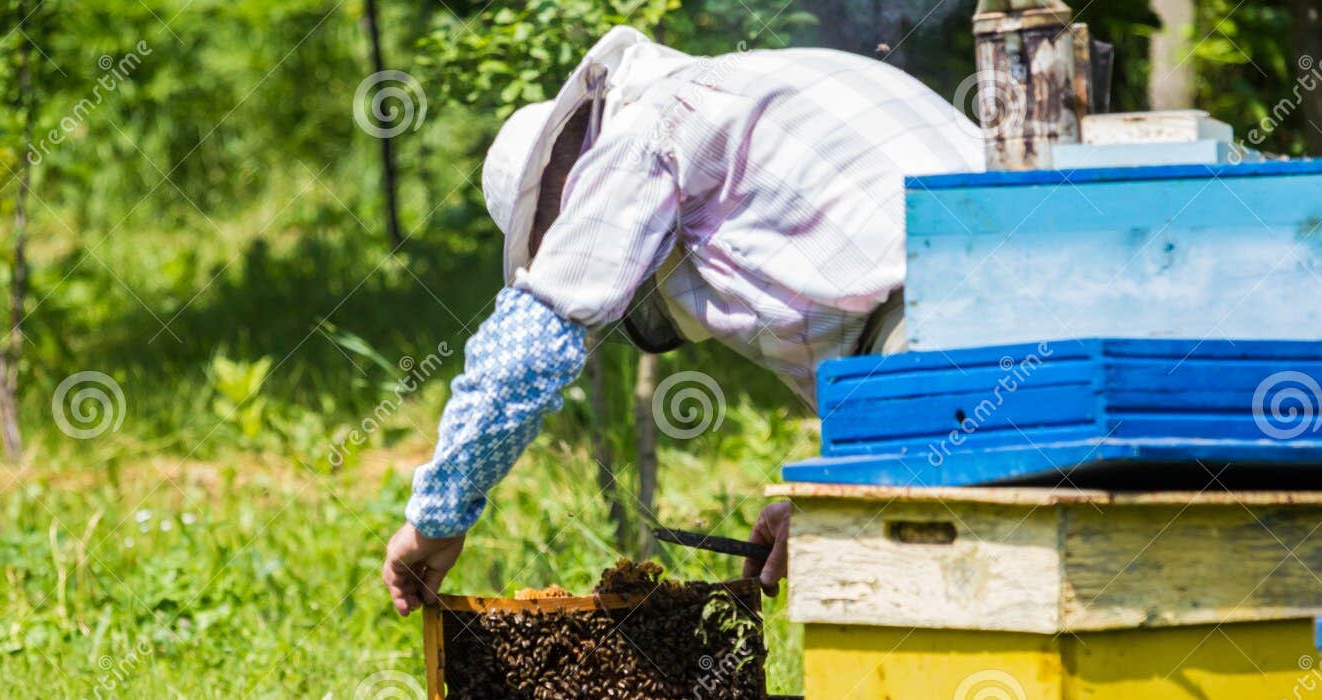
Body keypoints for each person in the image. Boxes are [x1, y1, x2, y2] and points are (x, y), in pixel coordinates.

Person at [382, 26, 982, 615]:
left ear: (566, 188)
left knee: (933, 616)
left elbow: (527, 350)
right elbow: (859, 289)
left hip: (934, 350)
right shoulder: (777, 79)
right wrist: (832, 498)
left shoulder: (641, 137)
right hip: (1012, 331)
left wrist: (436, 517)